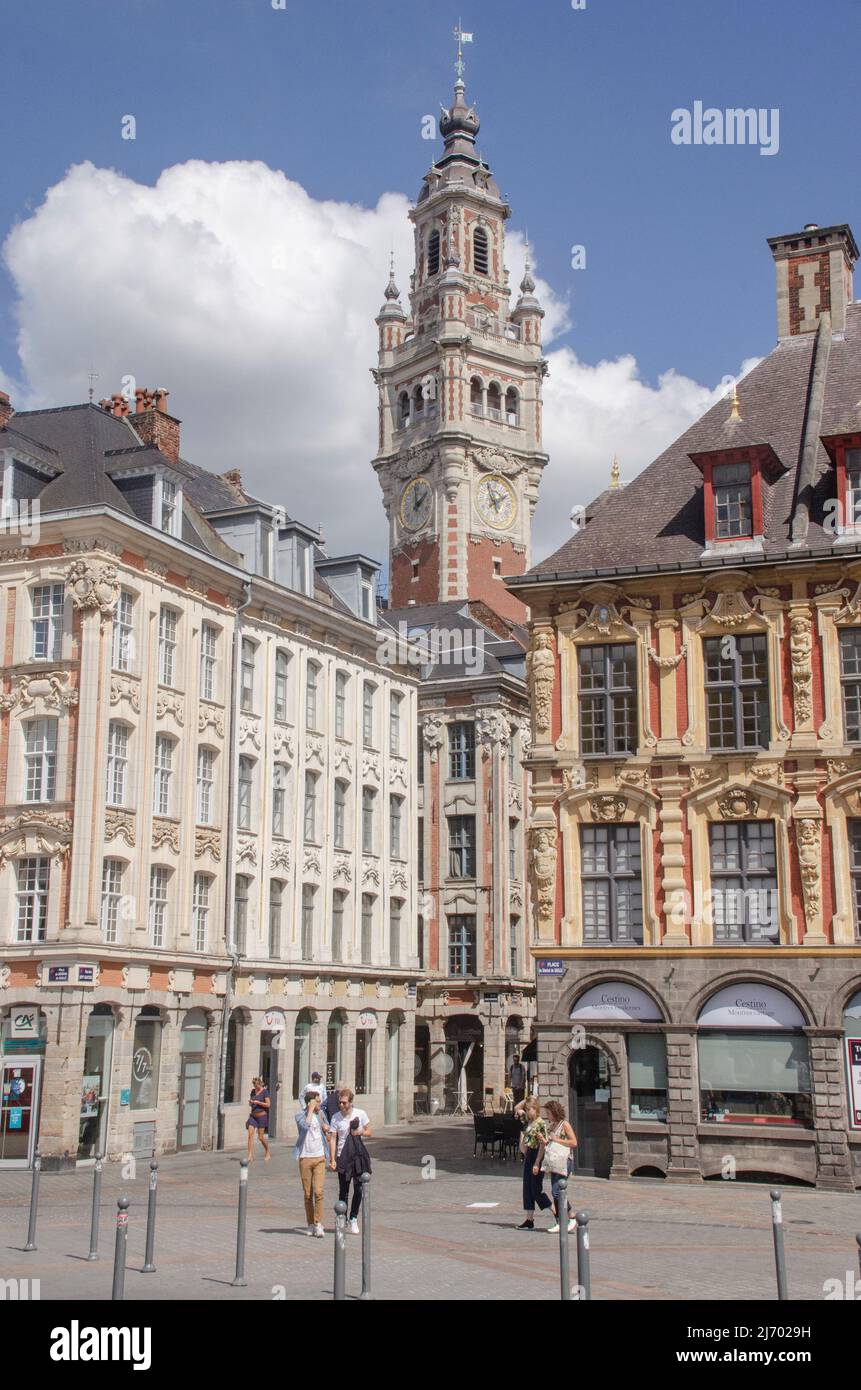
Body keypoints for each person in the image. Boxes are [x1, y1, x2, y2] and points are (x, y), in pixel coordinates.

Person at [328, 1087, 372, 1234]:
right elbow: (333, 1138)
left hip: (357, 1156)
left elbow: (369, 1131)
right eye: (340, 1102)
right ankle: (343, 1218)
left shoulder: (361, 1114)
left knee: (359, 1188)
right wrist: (333, 1158)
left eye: (345, 1103)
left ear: (351, 1102)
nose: (342, 1105)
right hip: (342, 1156)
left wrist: (360, 1132)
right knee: (344, 1190)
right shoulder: (335, 1117)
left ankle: (353, 1217)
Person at [294, 1089, 334, 1237]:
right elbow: (304, 1128)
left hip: (319, 1157)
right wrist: (310, 1111)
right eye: (317, 1101)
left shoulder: (321, 1114)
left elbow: (328, 1131)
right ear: (310, 1102)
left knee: (318, 1191)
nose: (320, 1103)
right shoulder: (300, 1116)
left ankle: (318, 1223)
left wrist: (326, 1130)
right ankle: (310, 1223)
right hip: (305, 1157)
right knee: (307, 1194)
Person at [535, 1100, 577, 1234]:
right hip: (554, 1162)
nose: (547, 1116)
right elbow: (549, 1143)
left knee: (556, 1191)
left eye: (548, 1113)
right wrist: (544, 1139)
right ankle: (564, 1220)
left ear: (554, 1112)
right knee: (556, 1192)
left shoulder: (565, 1125)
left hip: (565, 1162)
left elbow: (574, 1142)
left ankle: (569, 1218)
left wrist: (556, 1139)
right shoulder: (551, 1126)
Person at [513, 1095, 552, 1230]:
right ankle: (529, 1220)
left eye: (530, 1109)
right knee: (527, 1189)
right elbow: (517, 1107)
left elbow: (543, 1144)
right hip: (529, 1154)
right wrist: (527, 1098)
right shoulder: (528, 1120)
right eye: (527, 1109)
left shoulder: (541, 1123)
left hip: (537, 1155)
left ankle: (558, 1215)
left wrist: (537, 1163)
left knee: (536, 1189)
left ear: (536, 1109)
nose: (528, 1111)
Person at [246, 1075, 271, 1163]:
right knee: (250, 1135)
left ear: (260, 1084)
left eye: (257, 1085)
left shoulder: (265, 1092)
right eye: (254, 1085)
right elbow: (251, 1102)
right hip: (253, 1116)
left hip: (262, 1116)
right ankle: (249, 1155)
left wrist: (258, 1102)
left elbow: (268, 1105)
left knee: (260, 1137)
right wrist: (251, 1102)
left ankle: (267, 1150)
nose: (256, 1086)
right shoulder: (253, 1092)